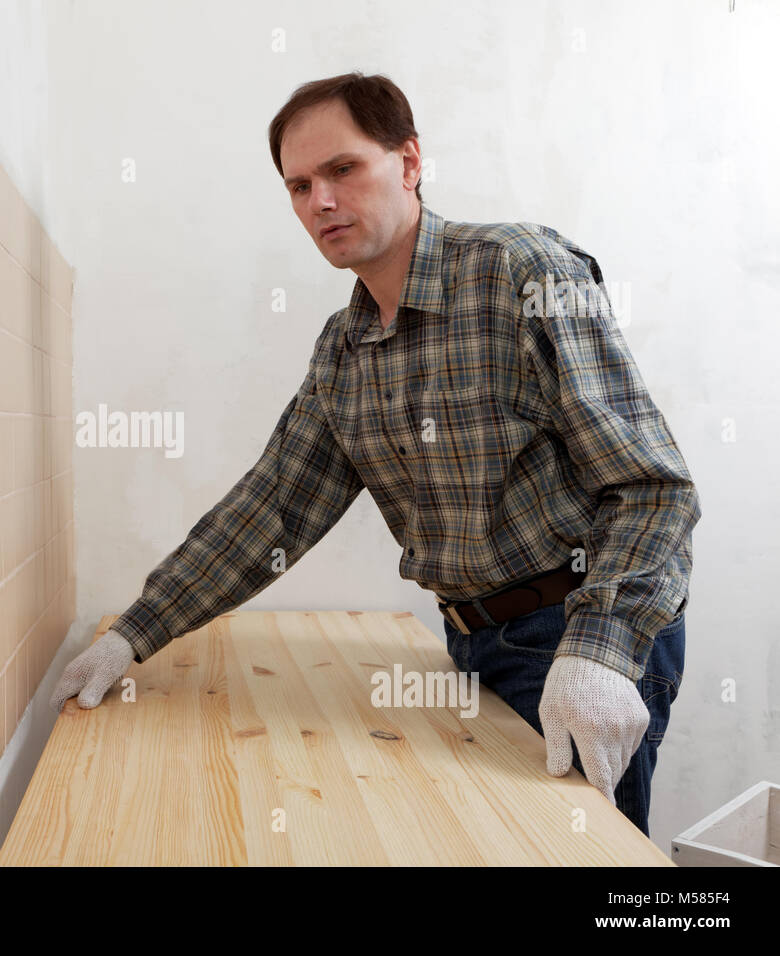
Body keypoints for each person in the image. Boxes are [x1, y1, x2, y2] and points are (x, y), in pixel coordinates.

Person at [50, 72, 699, 838]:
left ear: (411, 162)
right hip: (469, 641)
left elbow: (654, 488)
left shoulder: (524, 272)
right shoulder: (346, 346)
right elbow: (273, 508)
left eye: (342, 169)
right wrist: (138, 629)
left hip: (583, 637)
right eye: (298, 185)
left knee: (588, 871)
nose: (319, 200)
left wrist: (601, 650)